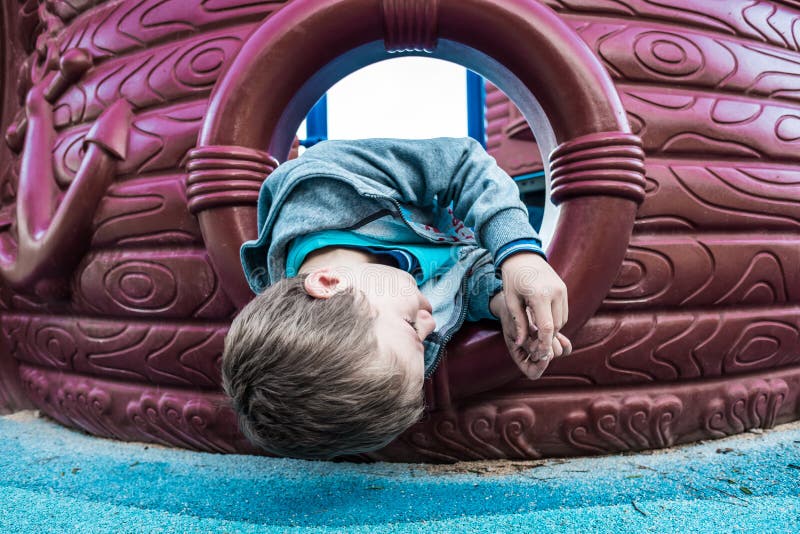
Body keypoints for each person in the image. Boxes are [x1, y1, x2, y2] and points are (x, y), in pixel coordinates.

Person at [222, 137, 571, 459]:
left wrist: (518, 253)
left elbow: (463, 165)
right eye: (424, 336)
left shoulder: (326, 180)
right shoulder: (384, 305)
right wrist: (499, 303)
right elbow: (461, 277)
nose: (431, 321)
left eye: (411, 325)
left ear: (328, 282)